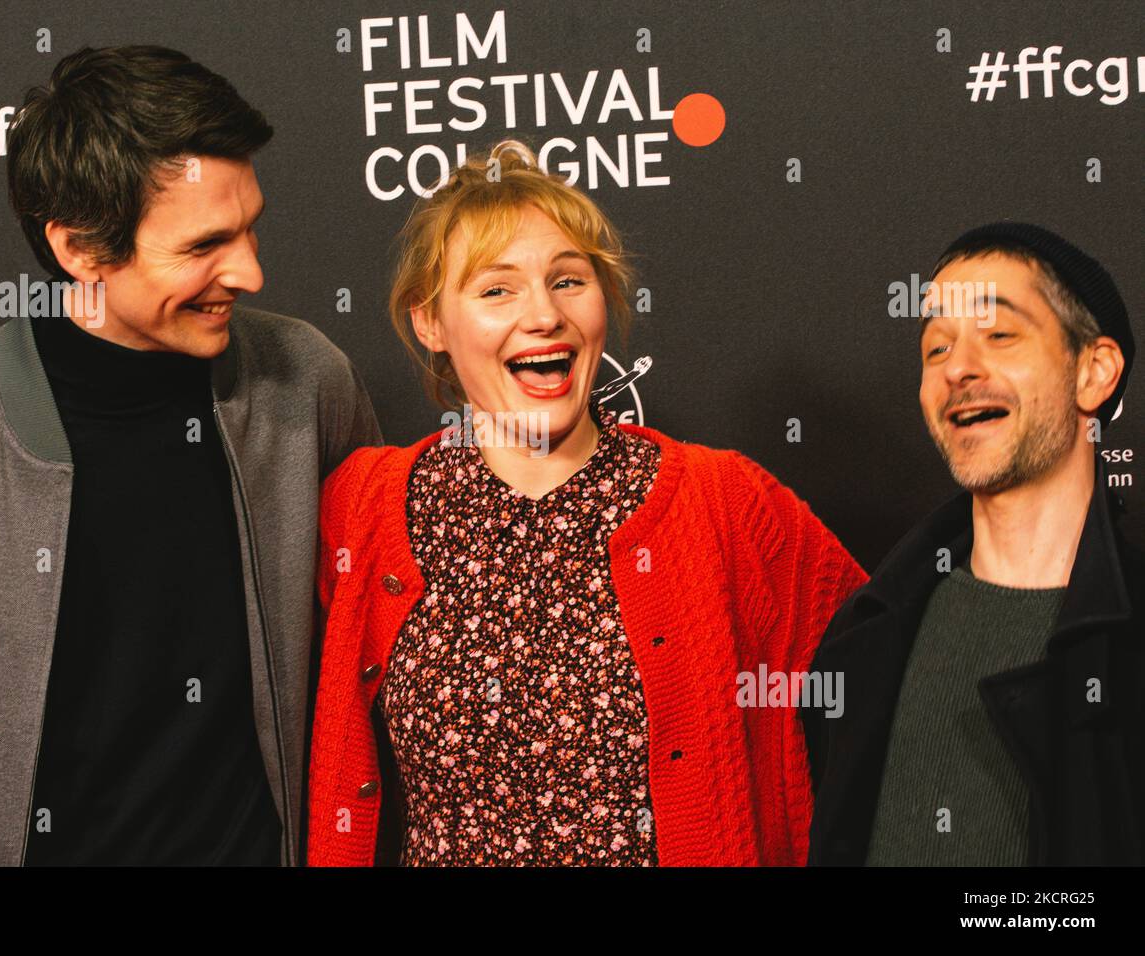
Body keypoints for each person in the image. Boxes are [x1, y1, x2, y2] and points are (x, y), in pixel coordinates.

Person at [0, 45, 380, 865]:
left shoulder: (307, 383)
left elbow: (378, 653)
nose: (250, 271)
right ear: (80, 249)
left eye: (250, 229)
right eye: (204, 245)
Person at [305, 141, 868, 866]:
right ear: (431, 325)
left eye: (569, 280)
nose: (544, 315)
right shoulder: (364, 508)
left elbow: (887, 678)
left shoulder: (721, 501)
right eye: (496, 290)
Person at [804, 222, 1144, 866]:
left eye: (999, 335)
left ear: (1093, 372)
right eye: (936, 348)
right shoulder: (864, 636)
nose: (958, 368)